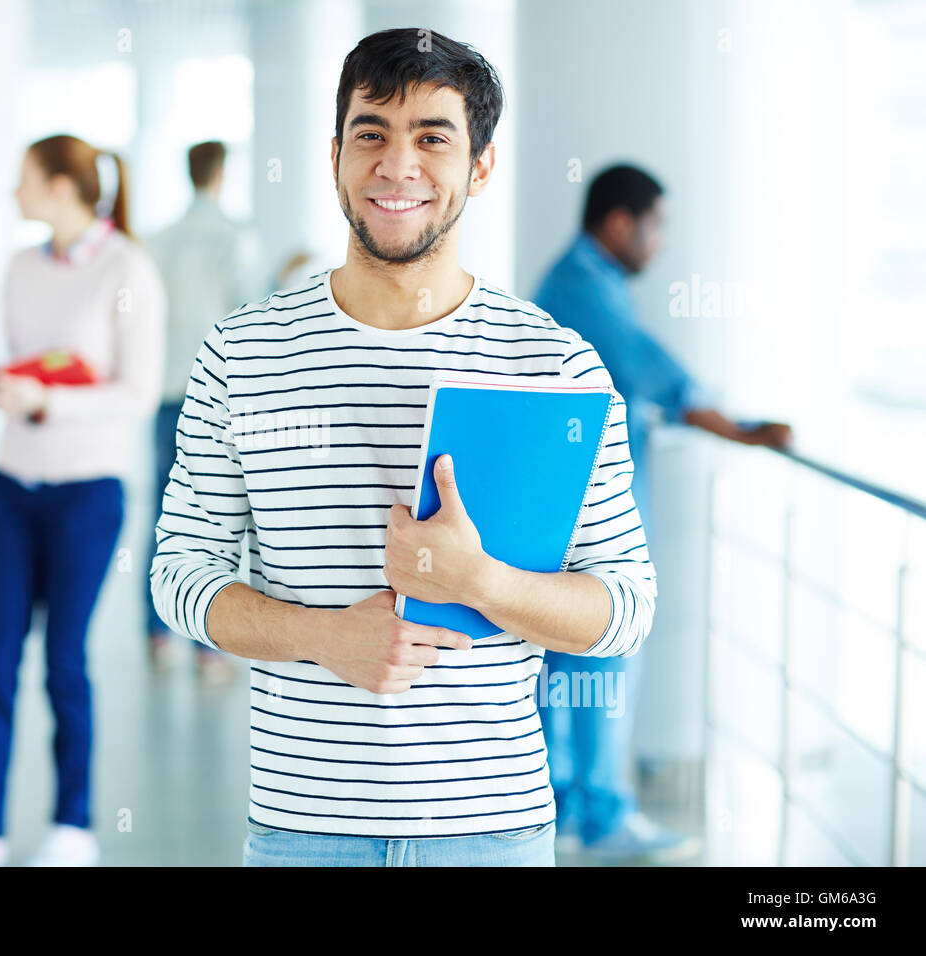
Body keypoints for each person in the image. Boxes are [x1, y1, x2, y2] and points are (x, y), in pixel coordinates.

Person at [151, 28, 656, 867]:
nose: (397, 166)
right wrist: (321, 635)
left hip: (495, 833)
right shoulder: (242, 353)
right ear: (337, 155)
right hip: (300, 832)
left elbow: (625, 609)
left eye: (433, 137)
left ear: (481, 166)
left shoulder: (555, 364)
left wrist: (480, 582)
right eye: (371, 134)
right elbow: (178, 576)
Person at [531, 164, 792, 862]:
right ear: (621, 222)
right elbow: (658, 375)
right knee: (602, 663)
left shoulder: (577, 280)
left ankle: (570, 809)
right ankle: (601, 819)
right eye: (658, 225)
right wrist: (740, 429)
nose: (662, 243)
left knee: (572, 668)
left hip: (566, 515)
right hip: (589, 528)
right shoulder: (584, 288)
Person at [0, 135, 165, 867]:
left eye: (23, 180)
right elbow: (10, 360)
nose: (13, 193)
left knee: (64, 659)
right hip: (12, 487)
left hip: (86, 494)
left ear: (61, 188)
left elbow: (138, 391)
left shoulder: (128, 269)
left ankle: (73, 827)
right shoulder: (19, 266)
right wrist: (6, 387)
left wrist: (48, 402)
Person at [142, 141, 269, 683]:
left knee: (163, 513)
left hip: (166, 393)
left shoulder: (156, 242)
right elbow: (253, 318)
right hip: (219, 401)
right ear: (221, 174)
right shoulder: (236, 238)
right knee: (226, 517)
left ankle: (155, 632)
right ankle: (209, 648)